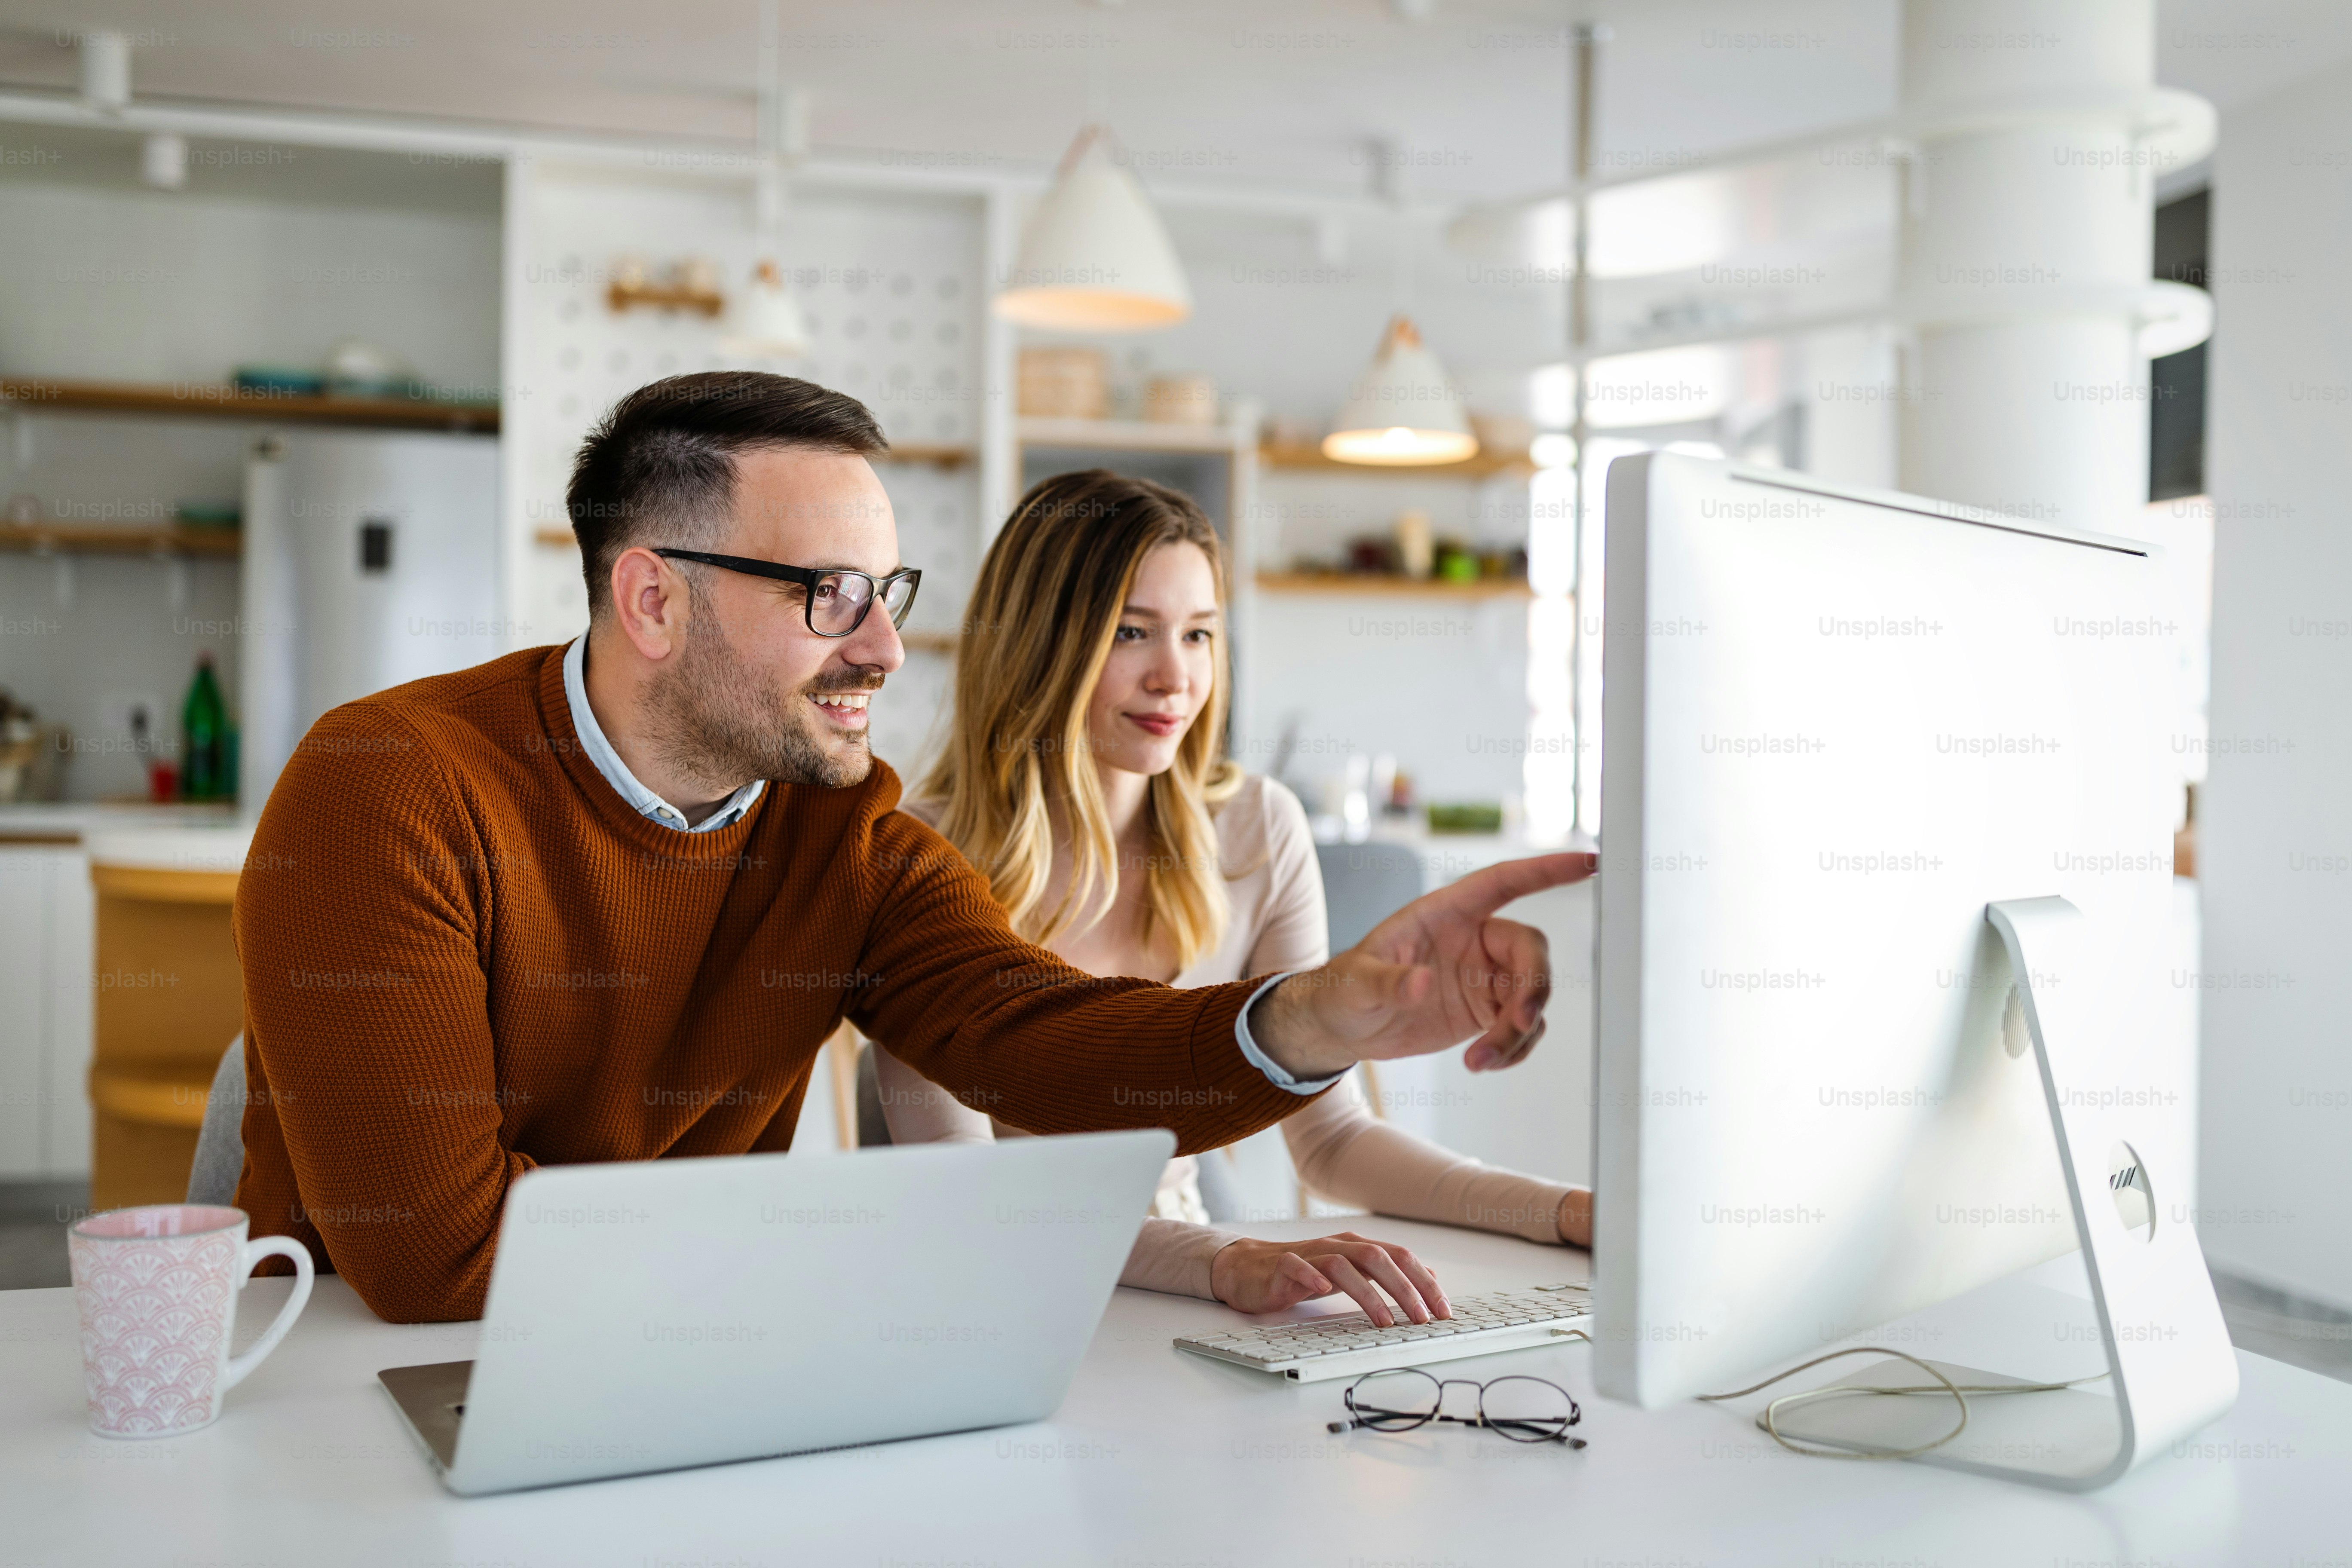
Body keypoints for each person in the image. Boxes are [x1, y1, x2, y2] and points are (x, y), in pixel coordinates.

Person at [231, 372, 1593, 1323]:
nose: (882, 647)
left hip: (662, 1346)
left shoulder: (847, 832)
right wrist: (814, 1244)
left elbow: (1051, 1049)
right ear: (651, 599)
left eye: (886, 593)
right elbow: (434, 1255)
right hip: (357, 1381)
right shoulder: (388, 786)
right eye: (830, 596)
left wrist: (1317, 1013)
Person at [876, 470, 1592, 1328]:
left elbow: (1333, 1142)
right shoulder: (916, 857)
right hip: (1004, 1299)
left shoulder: (1256, 829)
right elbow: (971, 1199)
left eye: (1201, 635)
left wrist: (1559, 1212)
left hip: (1182, 1290)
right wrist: (1220, 1260)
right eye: (1132, 632)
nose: (1175, 677)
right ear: (1040, 641)